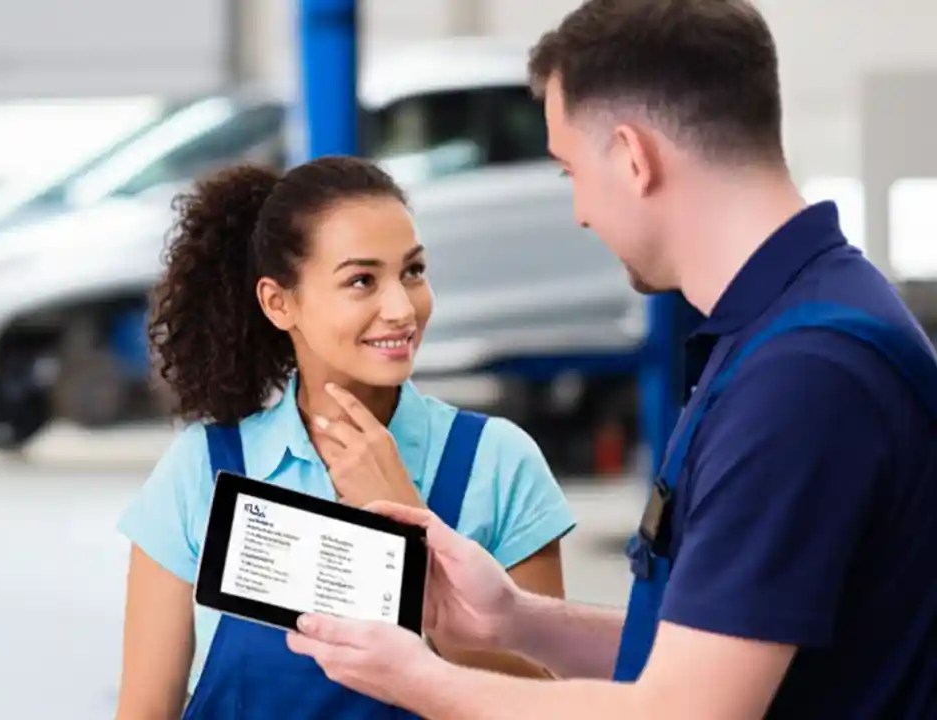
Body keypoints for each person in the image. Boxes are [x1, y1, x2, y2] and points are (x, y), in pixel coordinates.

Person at [285, 1, 937, 718]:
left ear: (632, 156)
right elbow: (717, 645)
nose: (579, 213)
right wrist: (517, 621)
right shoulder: (783, 332)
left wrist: (419, 679)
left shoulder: (804, 377)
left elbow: (681, 712)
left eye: (569, 171)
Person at [112, 155, 579, 719]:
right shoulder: (201, 474)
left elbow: (552, 708)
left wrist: (414, 531)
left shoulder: (498, 464)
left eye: (413, 271)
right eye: (362, 280)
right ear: (278, 302)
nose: (402, 308)